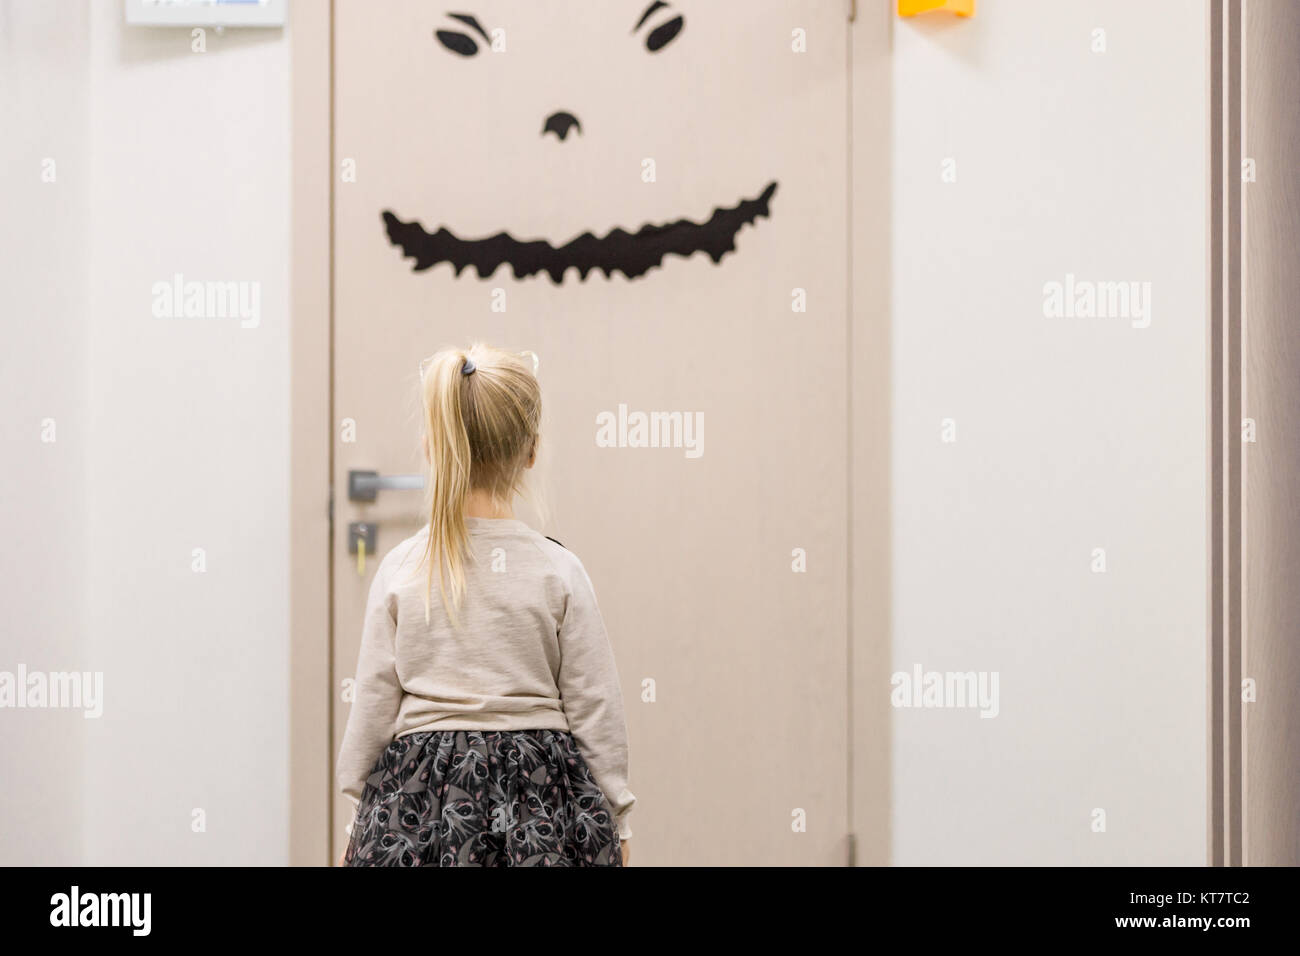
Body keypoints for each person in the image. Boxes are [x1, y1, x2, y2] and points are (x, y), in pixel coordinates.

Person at [336, 343, 634, 866]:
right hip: (542, 802)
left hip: (418, 804)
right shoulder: (558, 571)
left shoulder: (402, 570)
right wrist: (618, 819)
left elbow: (372, 714)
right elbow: (596, 708)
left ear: (432, 447)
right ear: (532, 451)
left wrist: (359, 821)